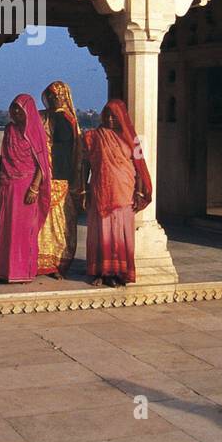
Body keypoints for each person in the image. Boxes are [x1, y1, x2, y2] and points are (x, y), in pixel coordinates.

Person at [80, 98, 150, 287]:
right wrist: (84, 190)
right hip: (100, 189)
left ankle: (119, 272)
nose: (110, 119)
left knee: (120, 232)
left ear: (122, 117)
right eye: (107, 115)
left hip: (124, 191)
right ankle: (101, 272)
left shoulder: (132, 139)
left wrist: (140, 192)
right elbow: (85, 164)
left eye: (114, 116)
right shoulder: (93, 137)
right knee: (101, 231)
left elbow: (140, 167)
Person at [0, 93, 52, 284]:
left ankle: (21, 271)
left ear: (28, 111)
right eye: (13, 108)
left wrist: (35, 188)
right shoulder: (9, 130)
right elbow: (3, 159)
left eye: (19, 109)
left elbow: (42, 164)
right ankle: (1, 271)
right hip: (7, 186)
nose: (15, 112)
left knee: (21, 231)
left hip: (25, 188)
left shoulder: (35, 132)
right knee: (2, 229)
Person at [37, 80, 83, 278]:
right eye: (53, 96)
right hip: (44, 176)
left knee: (63, 223)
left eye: (60, 96)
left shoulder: (70, 121)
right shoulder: (42, 118)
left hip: (64, 177)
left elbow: (77, 152)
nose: (56, 99)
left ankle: (59, 264)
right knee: (44, 223)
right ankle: (41, 263)